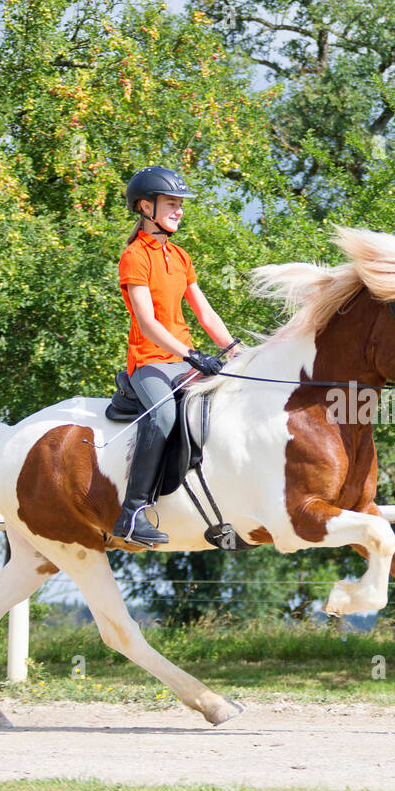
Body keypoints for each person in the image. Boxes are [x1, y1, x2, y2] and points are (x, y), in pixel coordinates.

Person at [112, 166, 241, 546]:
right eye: (171, 203)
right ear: (145, 206)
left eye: (180, 204)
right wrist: (191, 354)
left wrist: (234, 351)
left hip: (183, 361)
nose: (179, 210)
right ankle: (132, 512)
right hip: (149, 362)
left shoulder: (180, 256)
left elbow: (205, 313)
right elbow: (147, 322)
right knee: (165, 414)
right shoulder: (134, 257)